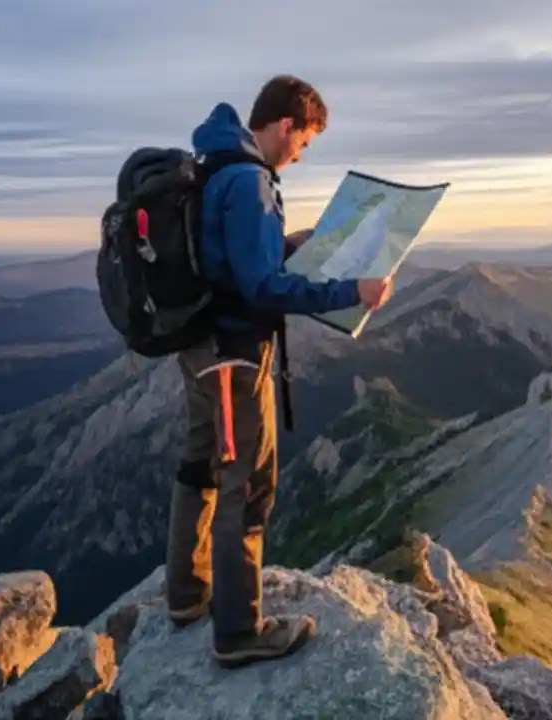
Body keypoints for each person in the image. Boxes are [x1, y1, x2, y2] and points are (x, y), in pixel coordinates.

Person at [165, 74, 393, 668]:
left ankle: (187, 597)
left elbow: (233, 257)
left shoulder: (216, 164)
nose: (301, 154)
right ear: (287, 125)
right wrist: (353, 290)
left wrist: (294, 240)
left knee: (198, 466)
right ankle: (238, 632)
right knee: (249, 482)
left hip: (200, 347)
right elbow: (262, 287)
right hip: (237, 356)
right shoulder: (251, 181)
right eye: (305, 141)